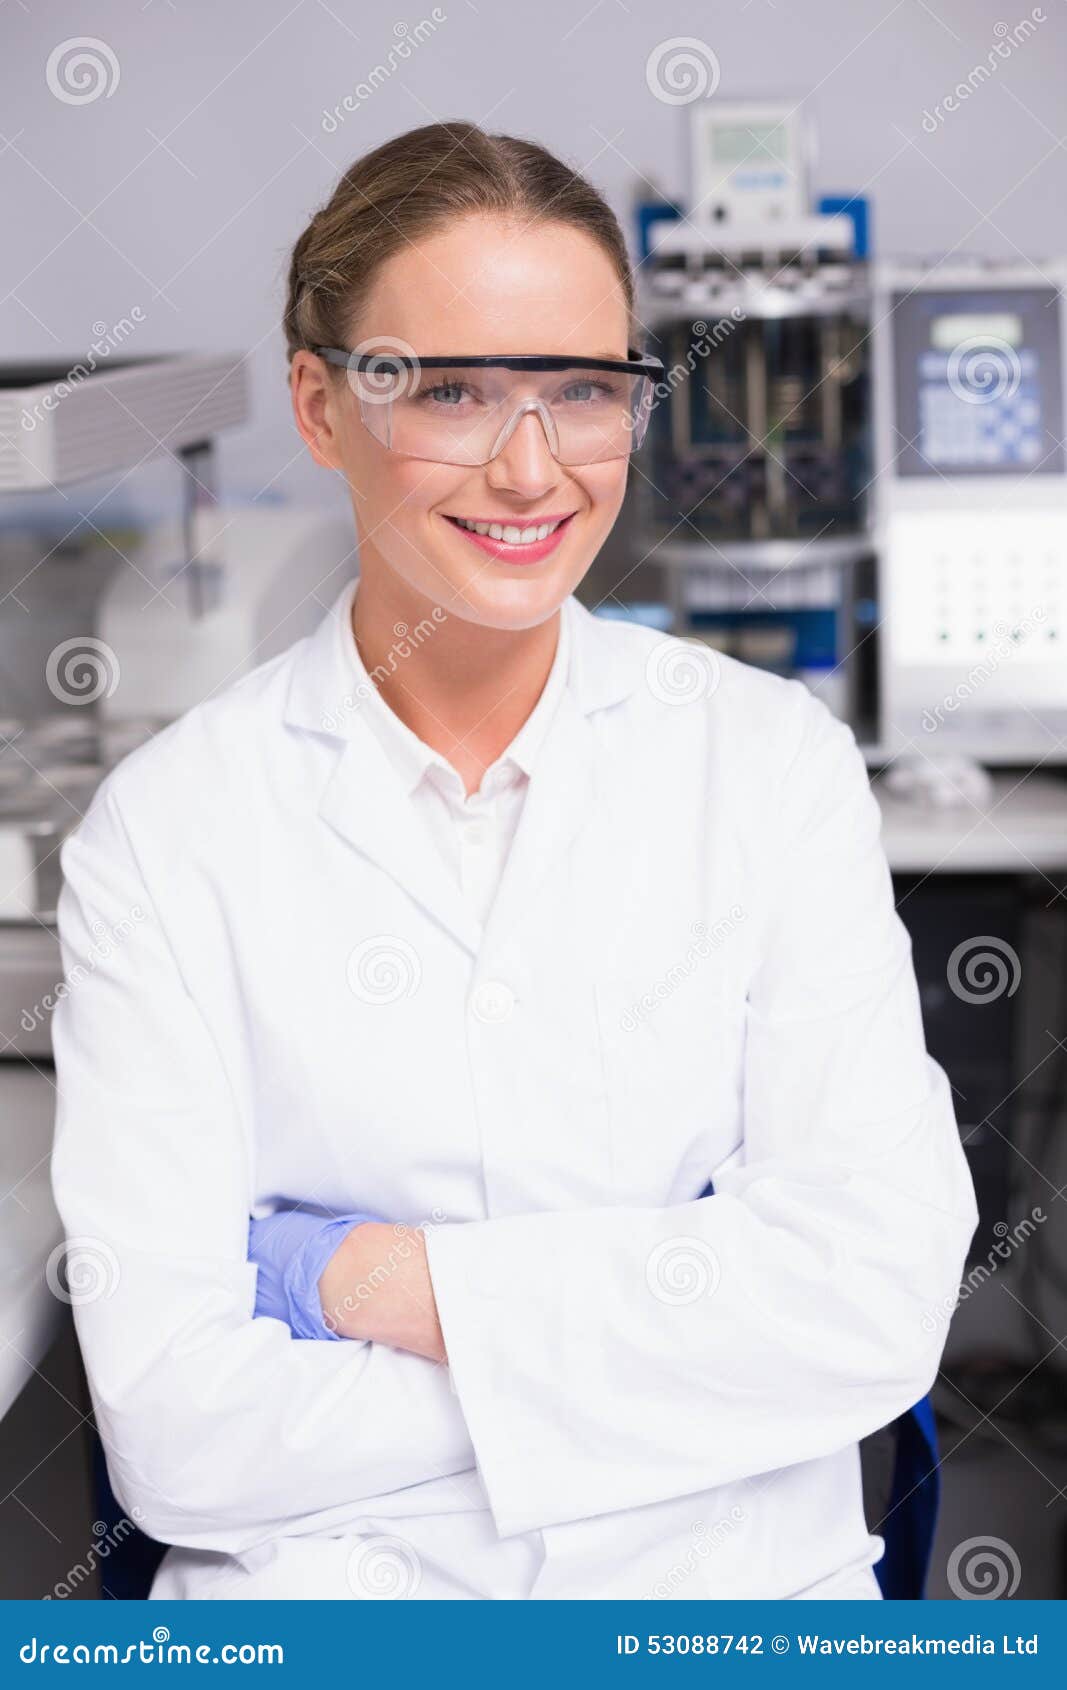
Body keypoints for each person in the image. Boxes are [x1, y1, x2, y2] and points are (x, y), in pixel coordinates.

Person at [49, 120, 978, 1602]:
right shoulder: (168, 837)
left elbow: (873, 1306)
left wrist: (374, 1286)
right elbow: (177, 1436)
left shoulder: (768, 767)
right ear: (318, 401)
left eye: (584, 392)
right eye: (455, 390)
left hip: (728, 1605)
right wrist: (688, 1355)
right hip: (330, 1606)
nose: (531, 465)